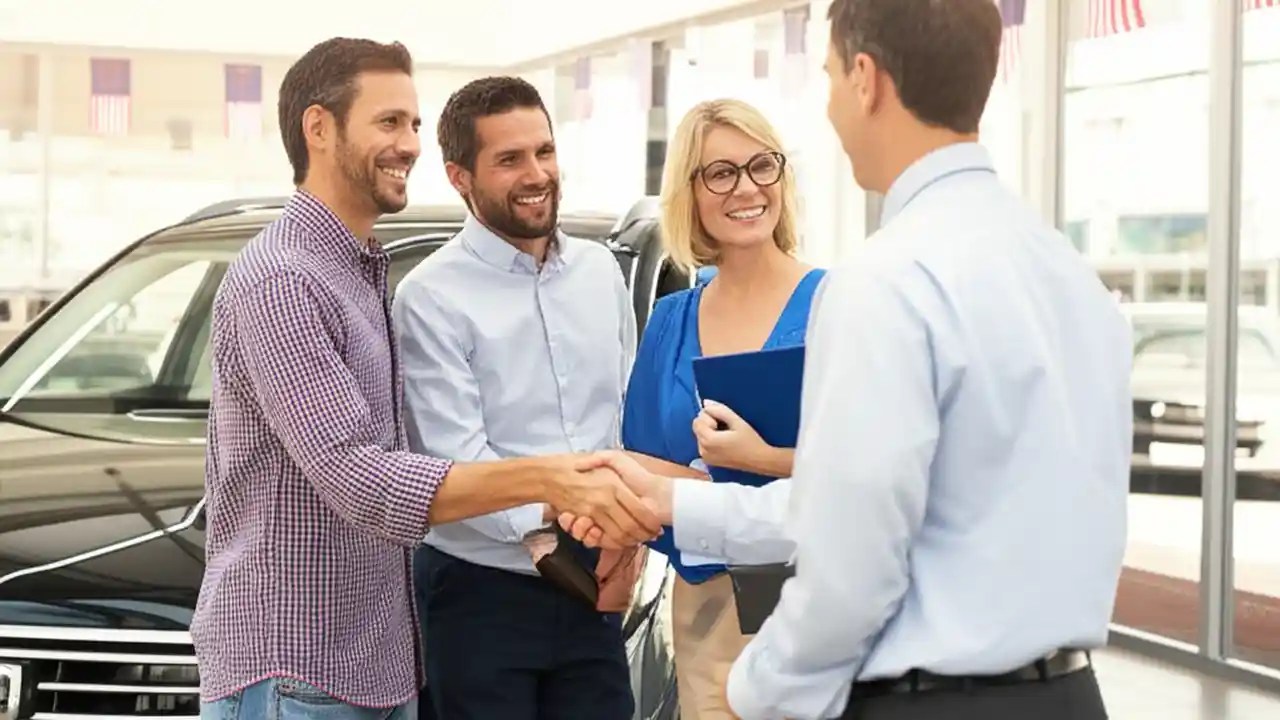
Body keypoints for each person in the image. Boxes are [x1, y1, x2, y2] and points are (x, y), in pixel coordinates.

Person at [564, 0, 1134, 718]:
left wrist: (756, 689)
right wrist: (673, 497)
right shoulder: (1067, 272)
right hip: (1070, 695)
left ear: (866, 80)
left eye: (830, 74)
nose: (829, 106)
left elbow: (847, 554)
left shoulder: (884, 284)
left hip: (927, 699)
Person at [192, 40, 660, 720]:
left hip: (371, 664)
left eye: (412, 123)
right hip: (294, 670)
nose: (407, 144)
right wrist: (551, 482)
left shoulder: (356, 269)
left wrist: (616, 525)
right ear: (318, 129)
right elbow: (361, 477)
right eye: (389, 122)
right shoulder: (283, 281)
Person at [391, 75, 642, 720]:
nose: (537, 174)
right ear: (459, 177)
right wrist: (557, 530)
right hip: (479, 598)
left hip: (596, 579)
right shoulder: (429, 297)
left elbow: (622, 419)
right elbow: (456, 458)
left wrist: (623, 537)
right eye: (509, 159)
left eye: (544, 151)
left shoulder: (601, 272)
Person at [619, 98, 825, 720]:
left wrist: (761, 458)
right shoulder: (672, 321)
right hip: (708, 606)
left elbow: (881, 471)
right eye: (721, 173)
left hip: (816, 609)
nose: (747, 188)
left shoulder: (840, 307)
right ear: (691, 192)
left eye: (762, 166)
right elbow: (640, 464)